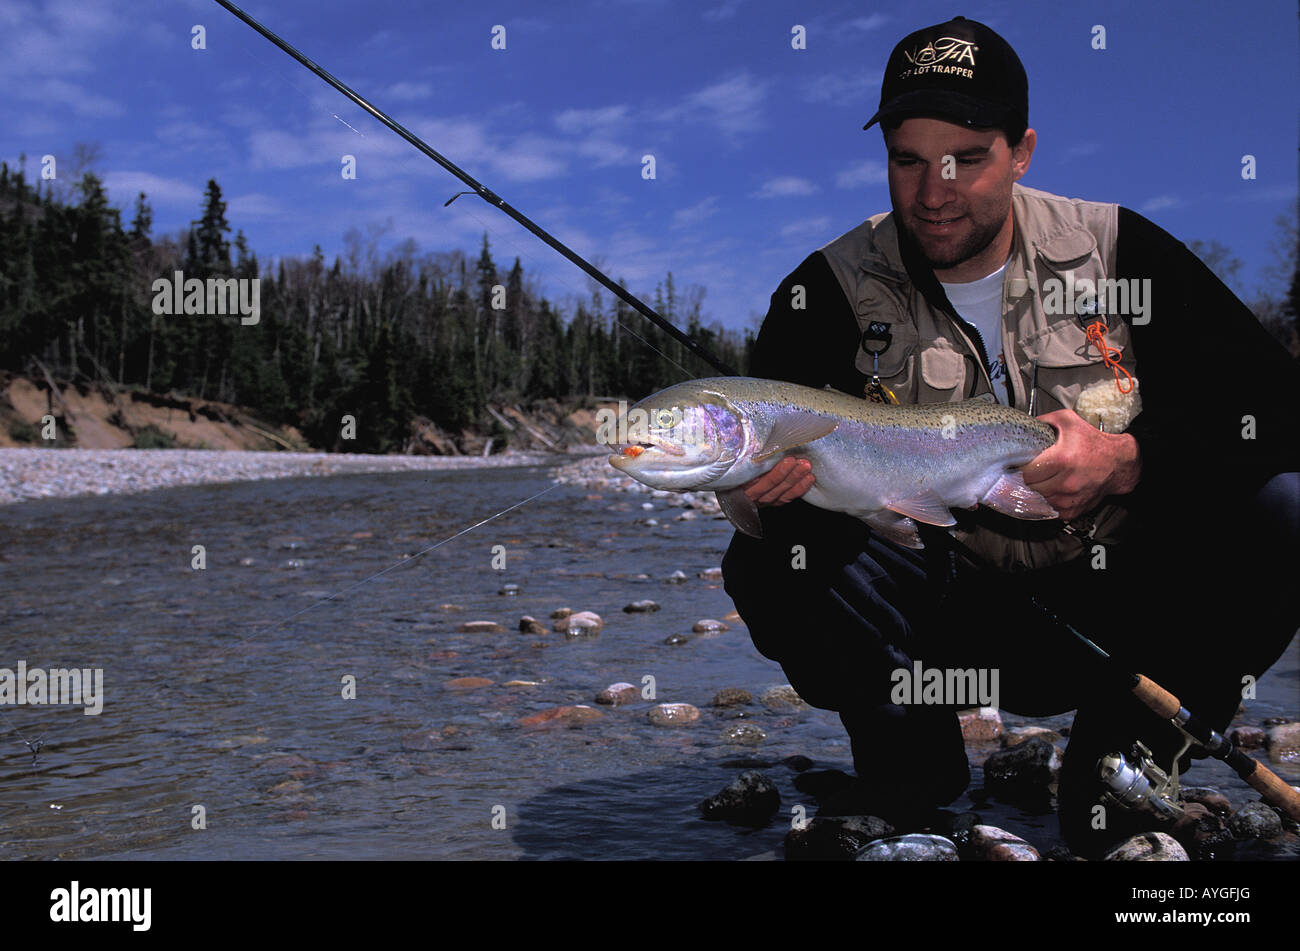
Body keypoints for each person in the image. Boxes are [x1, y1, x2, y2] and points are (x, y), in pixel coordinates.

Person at [720, 15, 1300, 859]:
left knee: (1287, 509)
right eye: (908, 159)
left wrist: (1129, 459)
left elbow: (1276, 410)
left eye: (967, 156)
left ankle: (1130, 755)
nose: (933, 190)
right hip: (946, 613)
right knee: (774, 555)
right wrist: (751, 496)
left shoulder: (1120, 252)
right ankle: (909, 764)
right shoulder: (825, 293)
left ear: (1022, 150)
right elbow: (762, 466)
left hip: (1123, 609)